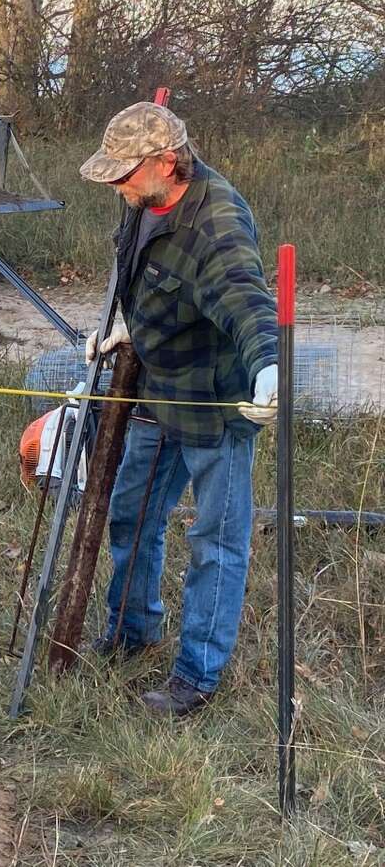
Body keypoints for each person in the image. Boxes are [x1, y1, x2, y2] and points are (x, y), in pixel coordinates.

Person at [79, 101, 279, 717]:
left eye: (125, 172)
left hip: (215, 402)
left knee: (216, 539)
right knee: (130, 513)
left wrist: (271, 366)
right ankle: (130, 632)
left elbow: (245, 298)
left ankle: (196, 677)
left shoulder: (216, 223)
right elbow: (150, 282)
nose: (116, 183)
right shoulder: (144, 200)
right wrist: (127, 332)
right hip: (153, 386)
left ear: (168, 162)